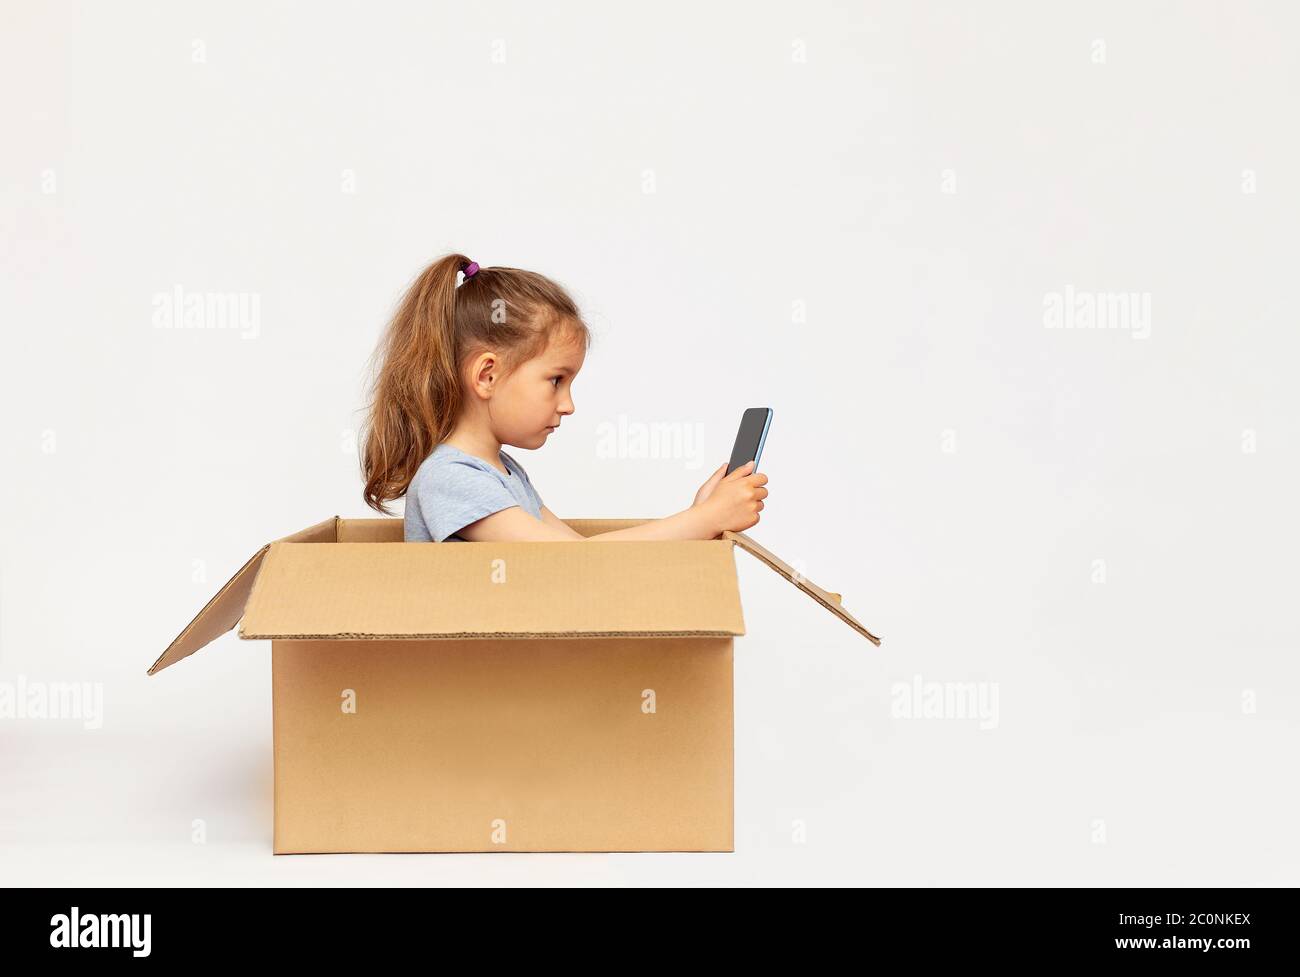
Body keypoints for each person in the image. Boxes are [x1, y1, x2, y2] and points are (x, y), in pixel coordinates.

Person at [359, 253, 768, 542]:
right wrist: (702, 519)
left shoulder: (504, 472)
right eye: (556, 380)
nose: (568, 405)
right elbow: (573, 568)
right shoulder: (451, 479)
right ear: (487, 375)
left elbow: (581, 556)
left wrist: (698, 519)